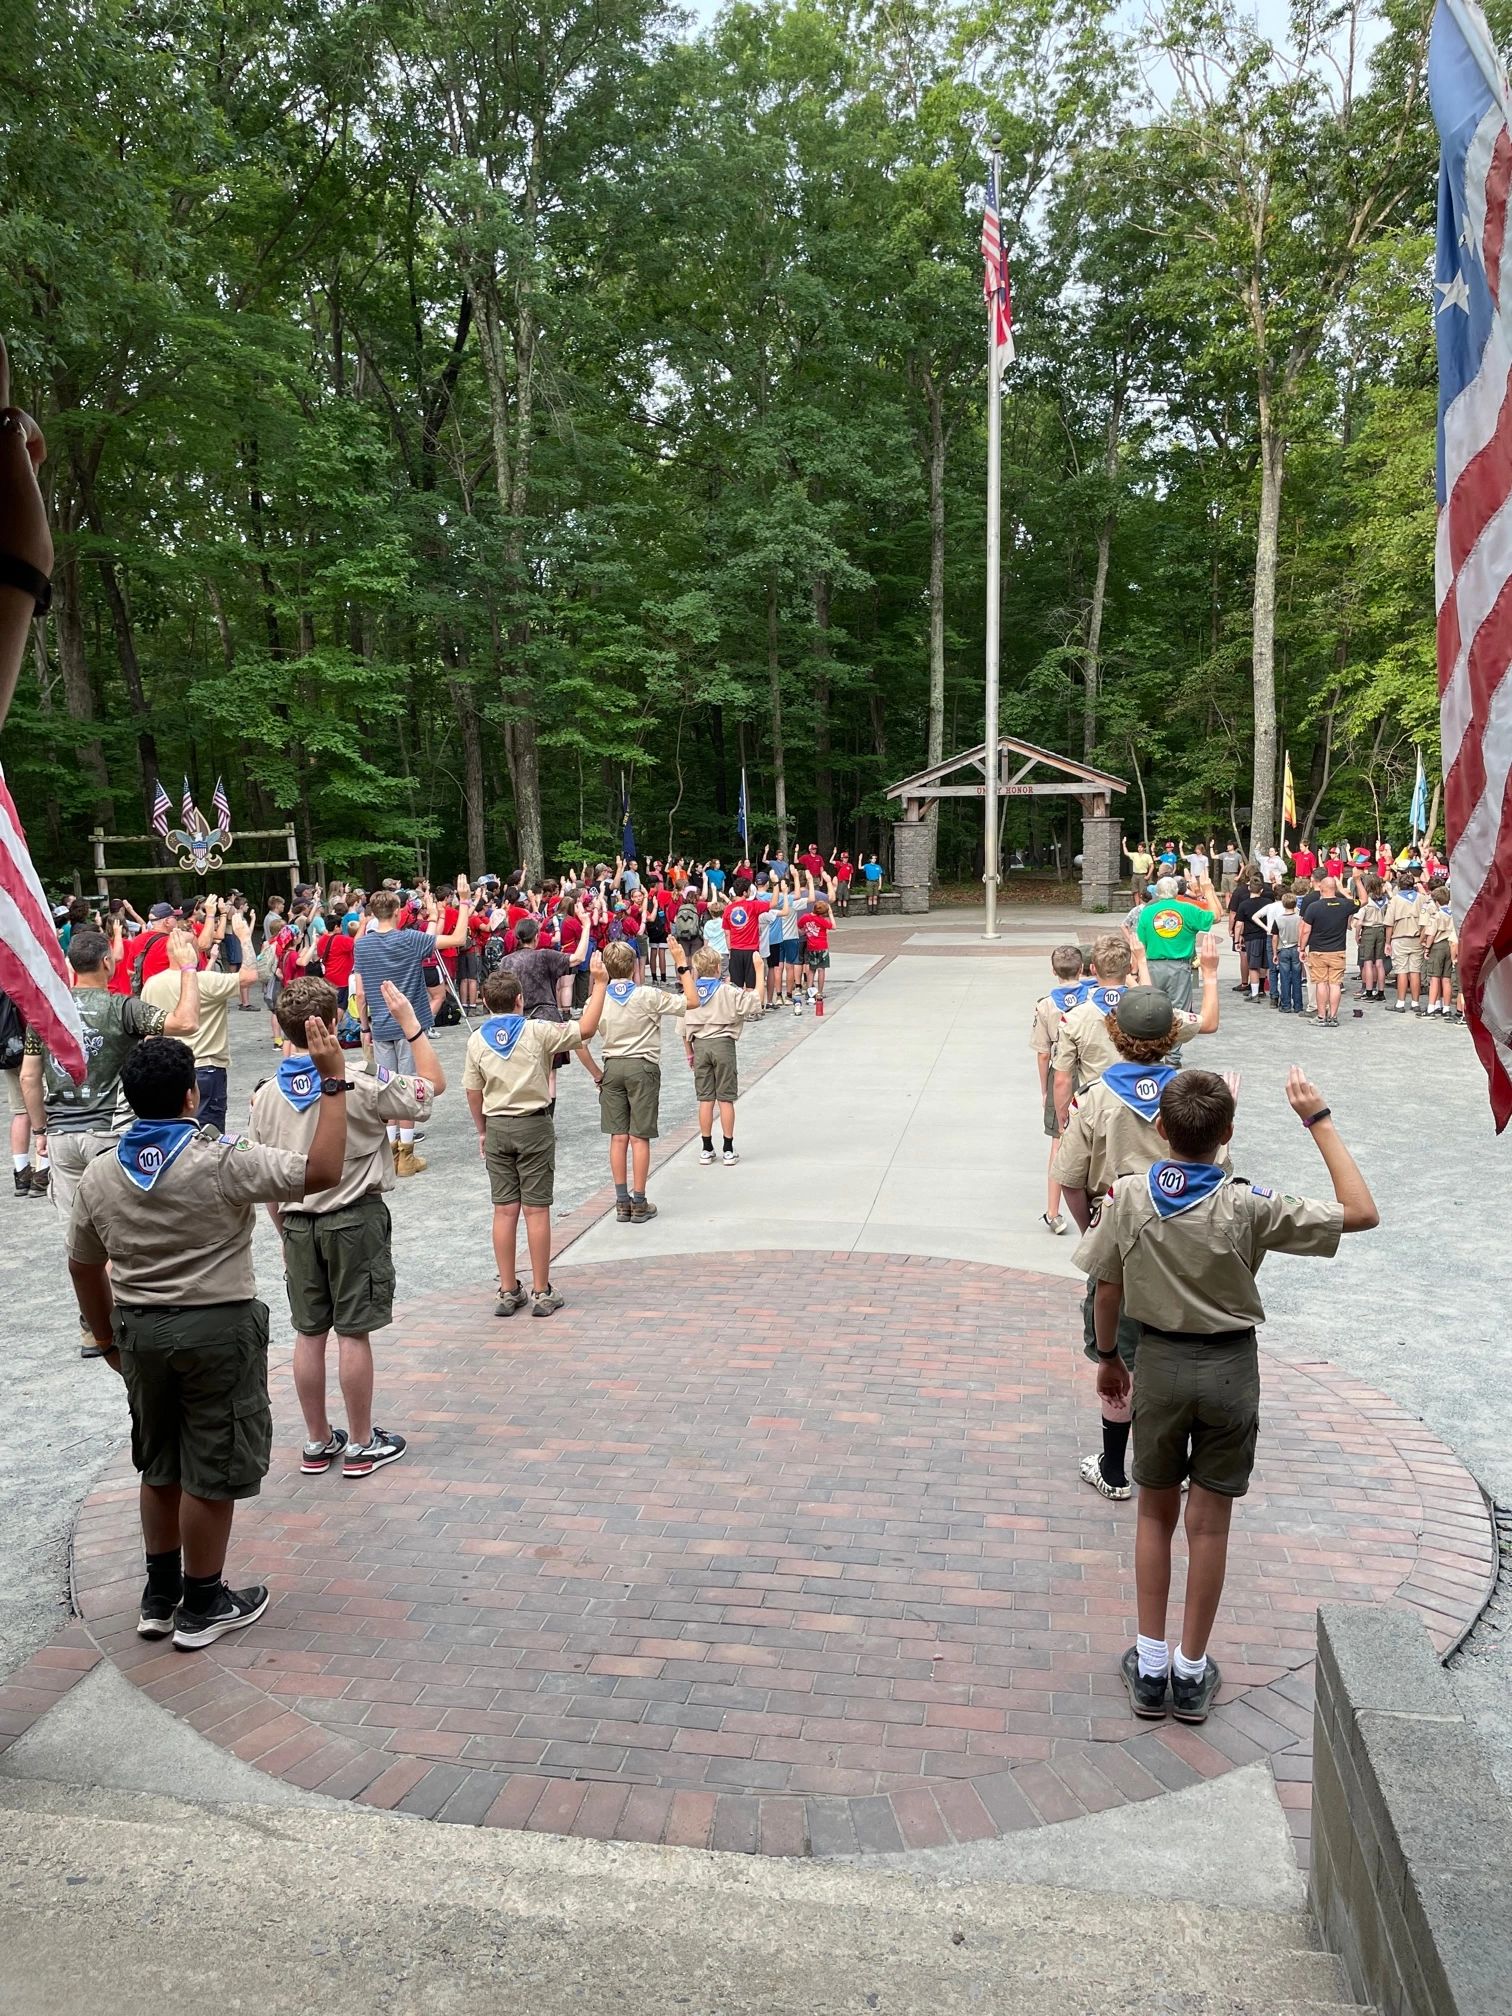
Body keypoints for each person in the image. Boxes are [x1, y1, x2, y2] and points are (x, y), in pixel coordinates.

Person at [1077, 1067, 1377, 1723]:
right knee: (1209, 1525)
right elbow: (1361, 1212)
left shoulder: (1130, 1197)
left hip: (1156, 1363)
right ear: (1230, 1133)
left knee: (1154, 1514)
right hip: (1231, 1369)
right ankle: (1191, 1672)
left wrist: (1107, 1359)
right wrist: (1317, 1119)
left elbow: (1107, 1288)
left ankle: (1149, 1666)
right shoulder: (1247, 1203)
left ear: (1160, 1129)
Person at [66, 1023, 350, 1648]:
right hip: (217, 1326)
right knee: (210, 1464)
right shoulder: (221, 1161)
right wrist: (333, 1083)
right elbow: (325, 1168)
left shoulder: (101, 1173)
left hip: (140, 1330)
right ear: (192, 1096)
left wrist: (108, 1334)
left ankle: (159, 1592)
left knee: (159, 1459)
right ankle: (203, 1600)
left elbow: (83, 1264)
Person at [249, 976, 443, 1480]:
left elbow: (266, 1178)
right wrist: (410, 1026)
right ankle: (360, 1443)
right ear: (335, 1022)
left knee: (308, 1332)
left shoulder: (265, 1097)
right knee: (353, 1332)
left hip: (296, 1223)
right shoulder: (359, 1081)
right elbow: (431, 1087)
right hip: (354, 1218)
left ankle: (317, 1439)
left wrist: (283, 1226)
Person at [1053, 982, 1226, 1504]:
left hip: (1121, 1236)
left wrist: (1093, 1232)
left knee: (1119, 1354)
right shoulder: (1194, 1094)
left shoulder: (1097, 1098)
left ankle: (1114, 1466)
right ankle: (1176, 1463)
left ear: (1113, 1032)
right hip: (1187, 1238)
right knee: (1177, 1344)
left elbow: (1070, 1177)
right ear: (1174, 1033)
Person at [22, 927, 201, 1355]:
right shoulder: (122, 1008)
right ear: (107, 962)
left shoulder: (45, 1013)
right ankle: (134, 1313)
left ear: (70, 964)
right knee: (128, 1225)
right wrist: (188, 968)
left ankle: (92, 1326)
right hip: (112, 1135)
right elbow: (185, 1023)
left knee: (80, 1235)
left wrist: (40, 1131)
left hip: (63, 1135)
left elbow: (29, 1076)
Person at [464, 955, 610, 1318]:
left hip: (497, 1126)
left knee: (504, 1209)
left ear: (484, 1002)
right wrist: (600, 984)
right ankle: (542, 1290)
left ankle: (507, 1288)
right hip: (533, 1124)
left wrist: (481, 1129)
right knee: (536, 1209)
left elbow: (472, 1090)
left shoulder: (476, 1041)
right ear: (520, 1001)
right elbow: (585, 1030)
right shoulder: (537, 1030)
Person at [350, 888, 468, 1174]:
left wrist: (364, 1026)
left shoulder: (362, 945)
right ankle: (407, 1154)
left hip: (379, 1024)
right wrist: (464, 902)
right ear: (398, 912)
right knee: (409, 1086)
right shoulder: (409, 939)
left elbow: (361, 994)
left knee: (386, 1089)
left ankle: (390, 1154)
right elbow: (458, 939)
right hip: (409, 1024)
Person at [592, 940, 689, 1223]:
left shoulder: (598, 998)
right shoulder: (648, 995)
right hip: (643, 1065)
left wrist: (596, 1071)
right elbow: (691, 1002)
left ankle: (621, 1201)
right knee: (639, 1136)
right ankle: (640, 1200)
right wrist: (681, 964)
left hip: (612, 1065)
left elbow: (579, 1038)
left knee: (617, 1136)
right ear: (635, 966)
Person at [141, 906, 259, 1133]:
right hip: (206, 1068)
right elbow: (249, 976)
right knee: (207, 1137)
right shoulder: (205, 981)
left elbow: (149, 1029)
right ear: (189, 953)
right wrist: (244, 937)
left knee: (172, 1130)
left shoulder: (152, 984)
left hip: (168, 1069)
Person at [1031, 945, 1089, 1237]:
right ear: (1082, 969)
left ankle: (1054, 1213)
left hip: (1061, 1071)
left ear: (1053, 971)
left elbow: (1043, 1053)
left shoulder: (1045, 1005)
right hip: (1091, 1069)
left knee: (1059, 1141)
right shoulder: (1093, 998)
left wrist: (1045, 1089)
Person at [1133, 874, 1223, 1021]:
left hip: (1152, 967)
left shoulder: (1147, 912)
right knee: (1179, 1014)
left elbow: (1139, 945)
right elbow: (1216, 916)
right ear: (1176, 891)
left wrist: (1135, 971)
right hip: (1179, 968)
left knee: (1150, 1010)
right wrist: (1208, 891)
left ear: (1157, 892)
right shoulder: (1188, 909)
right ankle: (1174, 1043)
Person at [1297, 875, 1357, 1027]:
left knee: (1321, 983)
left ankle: (1322, 1016)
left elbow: (1305, 930)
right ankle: (1333, 1016)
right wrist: (1355, 881)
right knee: (1335, 984)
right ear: (1335, 888)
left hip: (1318, 951)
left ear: (1321, 888)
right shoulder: (1345, 904)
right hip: (1338, 950)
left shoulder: (1314, 907)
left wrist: (1302, 948)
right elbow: (1363, 899)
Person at [2, 986, 40, 1197]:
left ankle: (21, 1171)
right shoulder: (23, 966)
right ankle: (43, 1171)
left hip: (7, 1046)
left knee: (20, 1110)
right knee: (43, 1106)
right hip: (31, 1043)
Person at [1383, 872, 1427, 1014]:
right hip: (1417, 938)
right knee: (1415, 971)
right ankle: (1415, 1003)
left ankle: (1400, 1003)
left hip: (1400, 938)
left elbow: (1389, 923)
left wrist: (1387, 942)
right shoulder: (1421, 899)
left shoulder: (1395, 900)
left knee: (1401, 971)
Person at [721, 877, 769, 997]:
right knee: (751, 985)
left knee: (736, 986)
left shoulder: (728, 909)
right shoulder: (753, 905)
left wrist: (730, 949)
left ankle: (738, 1009)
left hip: (736, 949)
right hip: (751, 950)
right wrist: (778, 885)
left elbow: (727, 933)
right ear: (744, 892)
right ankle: (752, 1010)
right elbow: (773, 903)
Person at [1421, 884, 1458, 1018]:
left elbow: (1431, 934)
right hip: (1450, 945)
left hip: (1438, 946)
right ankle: (1446, 1008)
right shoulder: (1454, 914)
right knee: (1446, 978)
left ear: (1436, 902)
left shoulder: (1436, 915)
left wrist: (1427, 948)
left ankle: (1431, 1008)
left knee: (1434, 978)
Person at [797, 894, 836, 1008]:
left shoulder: (805, 917)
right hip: (822, 947)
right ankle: (819, 992)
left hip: (811, 946)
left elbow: (799, 927)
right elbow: (833, 926)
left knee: (811, 969)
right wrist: (831, 914)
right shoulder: (821, 920)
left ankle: (810, 992)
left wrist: (805, 931)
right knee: (821, 970)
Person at [1269, 892, 1305, 1014]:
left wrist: (1274, 953)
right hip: (1296, 949)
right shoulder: (1300, 919)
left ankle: (1285, 1004)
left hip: (1283, 949)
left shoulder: (1278, 920)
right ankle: (1298, 1005)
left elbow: (1274, 937)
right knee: (1297, 978)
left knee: (1284, 978)